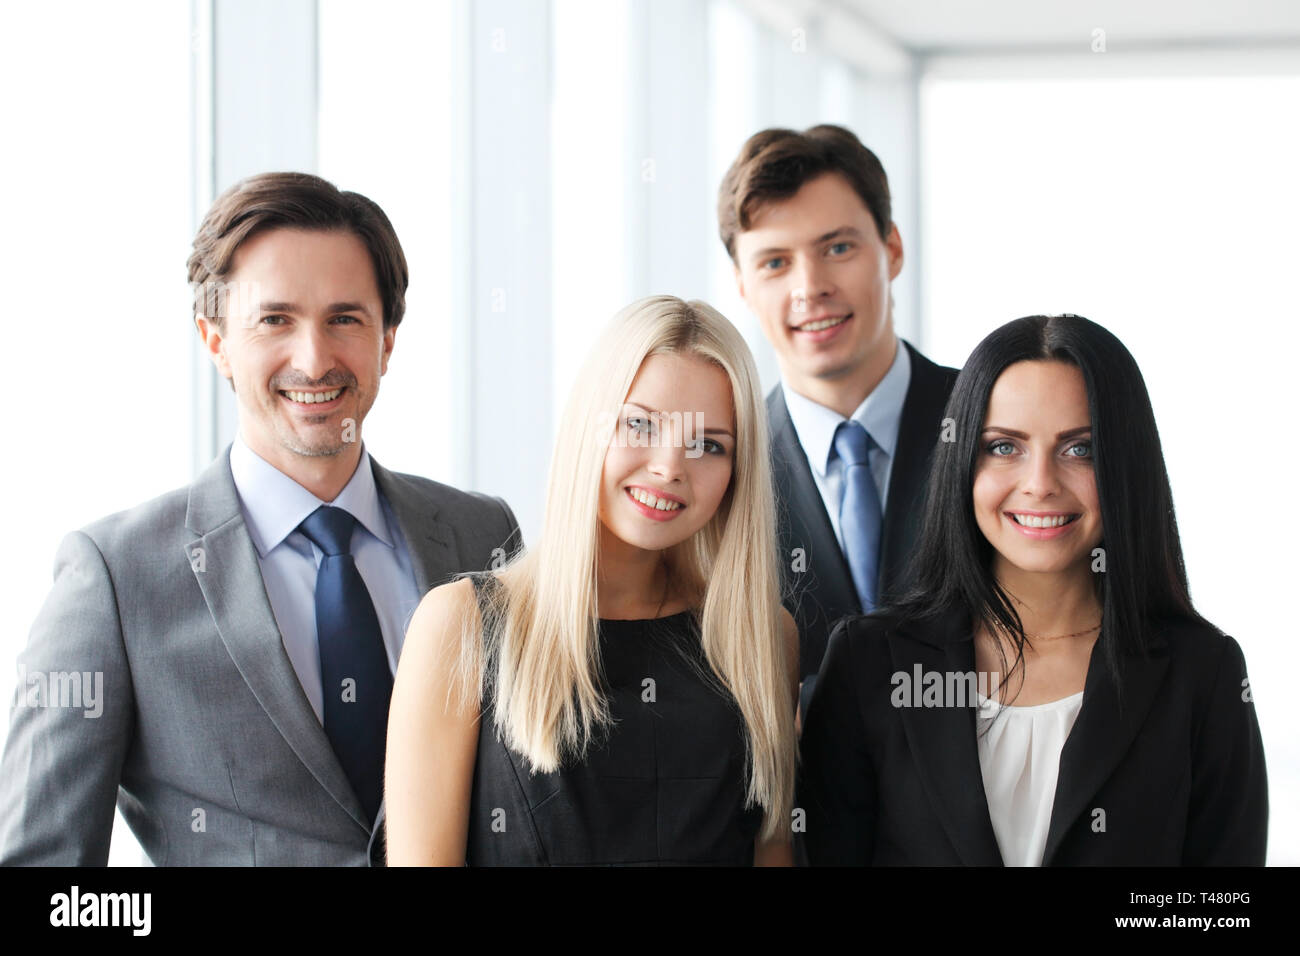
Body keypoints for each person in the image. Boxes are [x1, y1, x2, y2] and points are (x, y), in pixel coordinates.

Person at [0, 172, 521, 866]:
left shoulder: (483, 537)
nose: (313, 359)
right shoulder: (116, 580)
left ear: (388, 341)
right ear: (215, 340)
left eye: (345, 318)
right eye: (275, 319)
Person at [799, 314, 1268, 865]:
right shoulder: (866, 662)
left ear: (1125, 465)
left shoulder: (1202, 672)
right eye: (1003, 447)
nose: (1040, 483)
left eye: (1079, 449)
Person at [384, 296, 799, 866]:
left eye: (708, 444)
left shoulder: (763, 638)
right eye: (640, 424)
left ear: (737, 470)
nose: (670, 466)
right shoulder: (461, 625)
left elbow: (770, 849)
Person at [718, 124, 958, 722]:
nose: (811, 288)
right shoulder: (720, 472)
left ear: (893, 249)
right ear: (744, 285)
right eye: (775, 262)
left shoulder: (993, 427)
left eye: (838, 248)